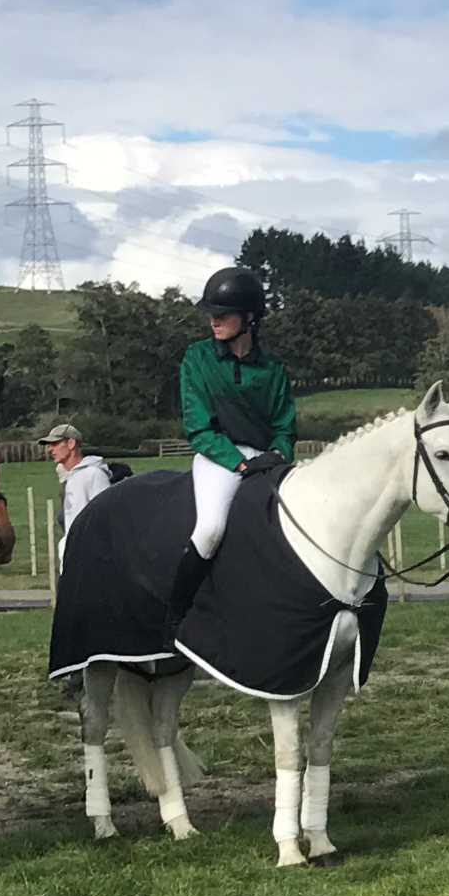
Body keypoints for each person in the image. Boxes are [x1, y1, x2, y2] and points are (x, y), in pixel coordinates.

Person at [167, 266, 298, 635]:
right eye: (211, 314)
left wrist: (277, 454)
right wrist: (239, 464)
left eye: (222, 314)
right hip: (218, 458)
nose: (214, 321)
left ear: (250, 318)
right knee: (210, 529)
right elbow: (199, 427)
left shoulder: (272, 369)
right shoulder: (197, 359)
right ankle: (175, 619)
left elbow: (285, 425)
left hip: (267, 460)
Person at [40, 423, 113, 534]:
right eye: (49, 445)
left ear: (71, 443)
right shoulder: (68, 478)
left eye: (54, 444)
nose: (49, 449)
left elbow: (106, 517)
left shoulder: (94, 474)